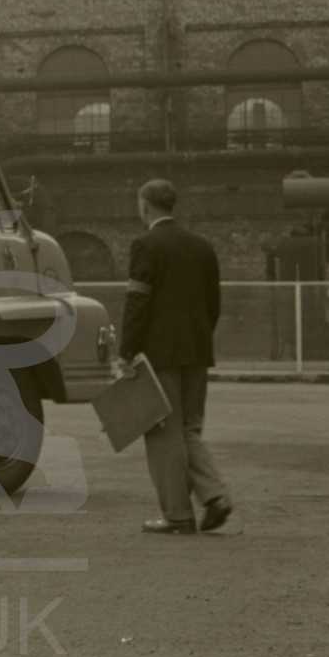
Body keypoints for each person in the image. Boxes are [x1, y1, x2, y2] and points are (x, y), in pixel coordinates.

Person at [115, 178, 231, 536]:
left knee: (164, 432)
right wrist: (199, 340)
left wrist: (126, 351)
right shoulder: (202, 247)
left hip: (160, 355)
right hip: (197, 351)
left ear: (145, 206)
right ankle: (214, 496)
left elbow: (138, 301)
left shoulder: (146, 245)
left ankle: (178, 515)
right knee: (189, 429)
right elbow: (213, 305)